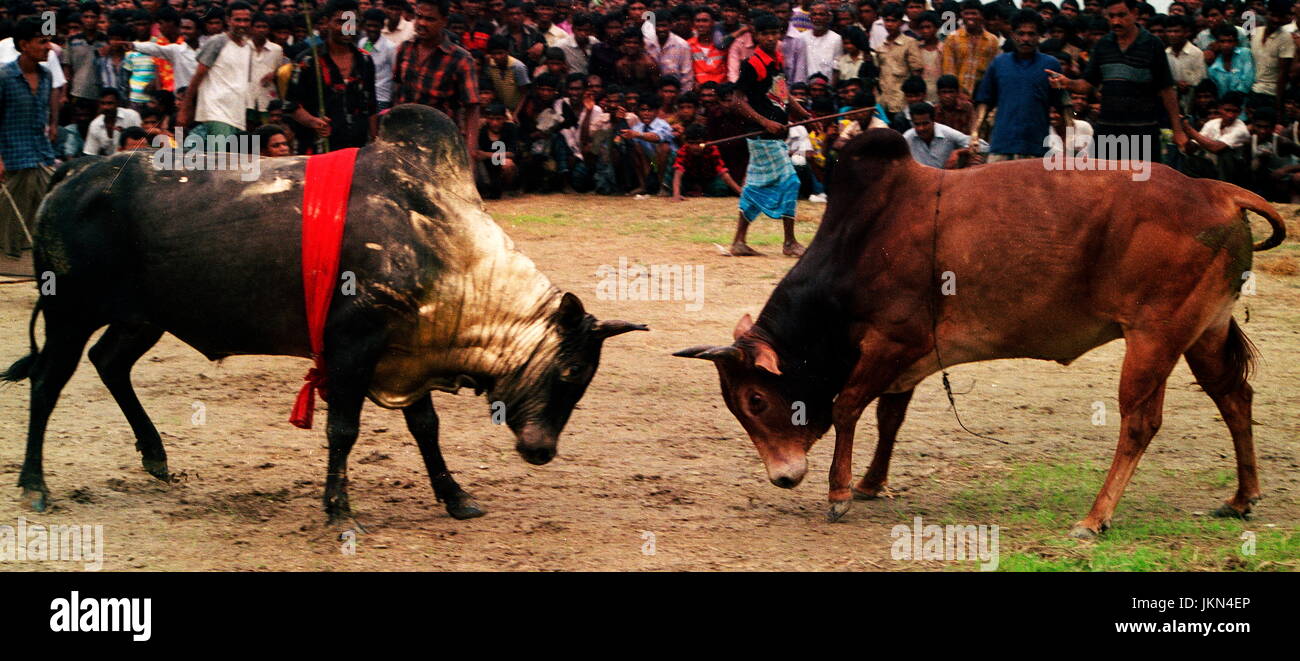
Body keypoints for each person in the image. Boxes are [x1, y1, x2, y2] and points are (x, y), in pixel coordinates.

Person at [1047, 0, 1187, 162]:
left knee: (1143, 184)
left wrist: (1178, 131)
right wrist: (1068, 83)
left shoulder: (1152, 45)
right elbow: (1087, 84)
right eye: (1111, 16)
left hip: (1143, 132)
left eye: (1121, 15)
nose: (1116, 21)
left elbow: (1167, 90)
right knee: (1104, 184)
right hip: (1108, 131)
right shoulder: (1103, 45)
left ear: (1134, 13)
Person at [728, 13, 809, 257]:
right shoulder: (752, 64)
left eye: (775, 33)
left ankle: (739, 242)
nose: (771, 38)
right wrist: (765, 121)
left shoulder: (776, 59)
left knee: (755, 186)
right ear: (757, 36)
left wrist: (803, 114)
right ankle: (789, 242)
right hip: (762, 135)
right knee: (791, 182)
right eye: (766, 34)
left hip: (774, 135)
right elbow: (737, 101)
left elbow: (782, 92)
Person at [972, 10, 1062, 161]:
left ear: (1039, 36)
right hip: (1002, 144)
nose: (1025, 38)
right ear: (1013, 34)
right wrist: (974, 133)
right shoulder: (999, 63)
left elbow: (1063, 103)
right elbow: (984, 101)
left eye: (1031, 34)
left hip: (1036, 147)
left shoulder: (1050, 64)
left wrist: (1068, 138)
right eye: (1021, 33)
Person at [287, 0, 377, 152]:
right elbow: (291, 105)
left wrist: (375, 143)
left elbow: (371, 106)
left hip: (356, 150)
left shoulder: (365, 60)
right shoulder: (307, 61)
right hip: (320, 149)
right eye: (341, 22)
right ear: (326, 22)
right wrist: (312, 122)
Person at [0, 17, 56, 258]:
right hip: (12, 160)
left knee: (48, 211)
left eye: (50, 41)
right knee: (9, 220)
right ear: (24, 45)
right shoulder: (4, 77)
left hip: (40, 156)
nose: (49, 47)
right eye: (42, 41)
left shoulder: (46, 76)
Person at [392, 0, 480, 149]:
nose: (422, 23)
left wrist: (470, 151)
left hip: (439, 142)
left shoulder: (461, 59)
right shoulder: (405, 48)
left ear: (444, 21)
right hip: (404, 137)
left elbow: (472, 109)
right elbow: (398, 88)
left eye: (430, 19)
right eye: (419, 17)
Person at [179, 2, 255, 140]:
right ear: (228, 20)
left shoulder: (248, 46)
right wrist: (185, 108)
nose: (242, 24)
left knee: (231, 158)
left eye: (246, 20)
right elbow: (198, 76)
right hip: (216, 111)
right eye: (238, 20)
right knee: (221, 157)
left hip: (237, 112)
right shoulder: (217, 42)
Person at [1182, 89, 1249, 181]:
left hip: (1235, 173)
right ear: (1220, 109)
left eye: (1235, 111)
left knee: (1225, 153)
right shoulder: (1212, 124)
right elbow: (1193, 147)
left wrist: (1189, 130)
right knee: (1189, 160)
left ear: (1240, 112)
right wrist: (1186, 139)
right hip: (1213, 167)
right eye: (1227, 110)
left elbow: (1215, 147)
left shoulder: (1241, 129)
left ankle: (1224, 188)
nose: (1230, 115)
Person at [941, 0, 1003, 98]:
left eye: (974, 13)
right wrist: (957, 95)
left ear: (982, 15)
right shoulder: (952, 39)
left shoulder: (992, 41)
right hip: (958, 98)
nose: (970, 17)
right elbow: (948, 71)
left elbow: (995, 71)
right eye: (967, 13)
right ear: (962, 15)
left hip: (983, 96)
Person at [903, 101, 973, 168]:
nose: (921, 128)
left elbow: (982, 145)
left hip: (945, 177)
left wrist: (958, 152)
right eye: (917, 124)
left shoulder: (948, 133)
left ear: (933, 121)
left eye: (925, 123)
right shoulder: (907, 137)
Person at [83, 87, 142, 155]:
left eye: (110, 103)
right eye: (103, 103)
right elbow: (91, 153)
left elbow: (143, 142)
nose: (106, 107)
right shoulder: (95, 125)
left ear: (118, 103)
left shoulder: (132, 116)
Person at [360, 8, 398, 111]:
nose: (372, 29)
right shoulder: (364, 43)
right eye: (369, 25)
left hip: (382, 98)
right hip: (366, 96)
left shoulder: (390, 47)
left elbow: (396, 75)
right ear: (364, 26)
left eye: (375, 26)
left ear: (381, 27)